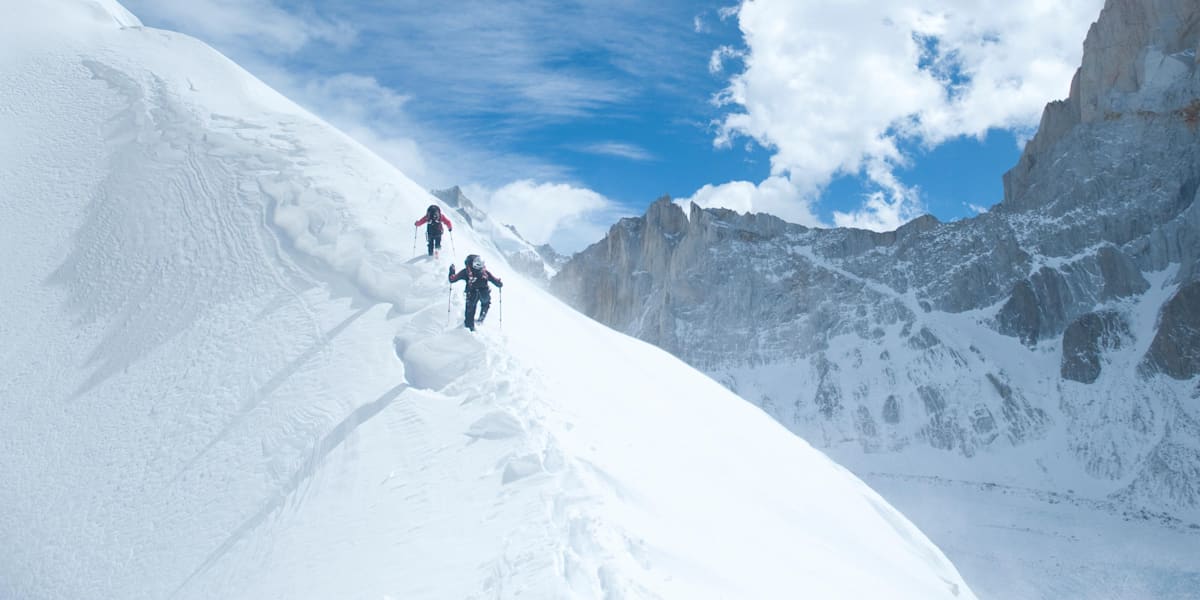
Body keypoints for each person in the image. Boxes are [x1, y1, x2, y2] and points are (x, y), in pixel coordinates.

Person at [449, 254, 503, 331]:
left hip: (471, 294)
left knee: (470, 313)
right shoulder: (484, 271)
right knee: (485, 304)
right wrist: (499, 283)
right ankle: (480, 320)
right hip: (484, 293)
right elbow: (496, 281)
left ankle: (470, 329)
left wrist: (452, 270)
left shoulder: (466, 272)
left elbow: (452, 279)